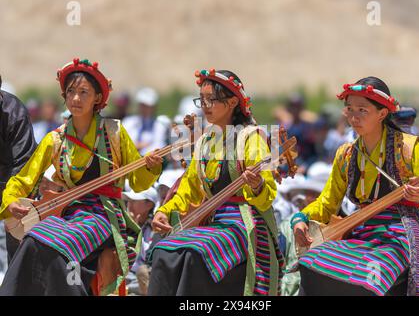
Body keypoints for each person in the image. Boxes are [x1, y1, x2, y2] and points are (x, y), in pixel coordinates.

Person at [0, 58, 163, 296]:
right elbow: (23, 178)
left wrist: (150, 166)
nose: (75, 98)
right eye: (71, 92)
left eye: (83, 92)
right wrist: (11, 199)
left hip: (105, 214)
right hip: (68, 213)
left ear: (97, 98)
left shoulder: (115, 133)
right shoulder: (55, 139)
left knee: (59, 246)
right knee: (33, 239)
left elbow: (138, 181)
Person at [291, 77, 419, 296]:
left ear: (382, 114)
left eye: (362, 110)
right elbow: (327, 203)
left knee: (370, 275)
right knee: (311, 262)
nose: (353, 117)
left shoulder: (408, 148)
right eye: (349, 109)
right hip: (361, 231)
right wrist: (300, 219)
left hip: (401, 234)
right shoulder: (345, 154)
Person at [147, 69, 283, 296]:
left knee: (194, 252)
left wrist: (257, 184)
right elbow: (188, 191)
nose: (205, 105)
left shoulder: (252, 138)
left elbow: (268, 195)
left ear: (231, 102)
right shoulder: (205, 142)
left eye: (211, 100)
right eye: (202, 100)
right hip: (211, 219)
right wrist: (164, 210)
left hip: (245, 223)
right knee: (163, 250)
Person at [0, 75, 37, 283]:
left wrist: (8, 202)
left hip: (14, 184)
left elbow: (22, 164)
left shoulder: (14, 112)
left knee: (17, 229)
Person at [279, 161, 332, 296]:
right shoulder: (287, 226)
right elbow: (278, 260)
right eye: (308, 193)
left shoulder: (338, 225)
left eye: (313, 193)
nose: (308, 197)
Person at [122, 87, 171, 156]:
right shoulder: (128, 122)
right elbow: (123, 145)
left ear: (154, 107)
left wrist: (135, 146)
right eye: (143, 105)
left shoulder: (160, 125)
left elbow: (158, 147)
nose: (145, 109)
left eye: (148, 106)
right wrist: (140, 145)